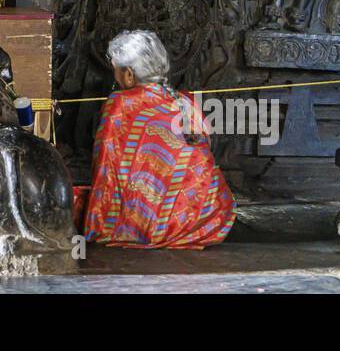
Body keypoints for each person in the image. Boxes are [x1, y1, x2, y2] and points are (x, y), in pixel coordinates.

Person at [84, 29, 235, 249]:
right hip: (207, 216)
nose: (114, 77)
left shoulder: (120, 103)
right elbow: (207, 148)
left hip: (148, 225)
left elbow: (107, 168)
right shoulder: (186, 101)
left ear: (128, 75)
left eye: (115, 70)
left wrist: (100, 222)